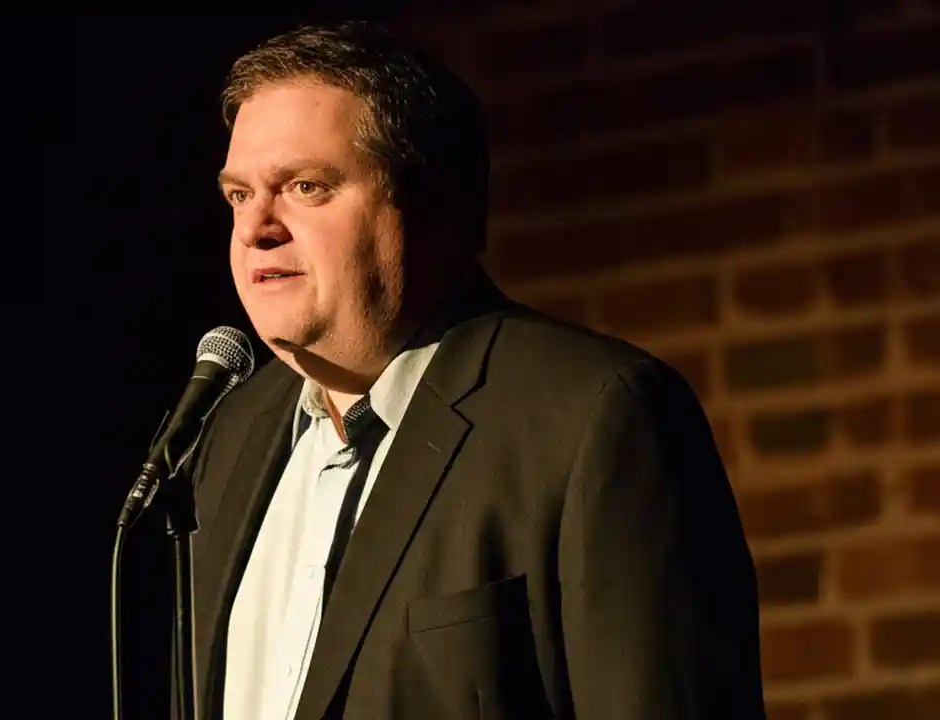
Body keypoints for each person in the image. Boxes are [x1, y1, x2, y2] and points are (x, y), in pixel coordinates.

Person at [182, 19, 765, 720]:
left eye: (305, 186)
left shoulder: (593, 419)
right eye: (239, 195)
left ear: (430, 208)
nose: (256, 229)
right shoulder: (229, 435)